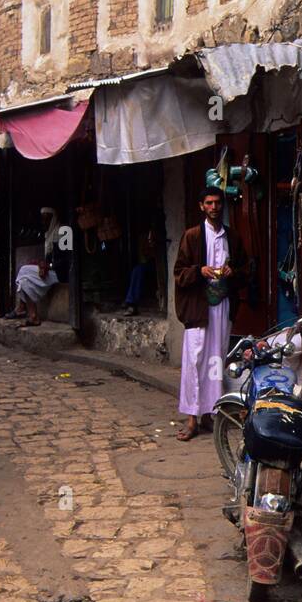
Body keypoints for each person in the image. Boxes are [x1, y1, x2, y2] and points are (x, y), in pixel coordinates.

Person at [173, 187, 249, 442]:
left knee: (216, 360)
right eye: (209, 203)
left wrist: (232, 272)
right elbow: (179, 273)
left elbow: (245, 269)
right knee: (195, 360)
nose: (214, 207)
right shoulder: (192, 236)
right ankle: (192, 418)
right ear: (201, 206)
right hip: (198, 308)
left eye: (217, 203)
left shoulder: (232, 237)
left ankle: (211, 413)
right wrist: (199, 271)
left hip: (222, 307)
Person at [11, 257, 59, 327]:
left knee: (23, 270)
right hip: (49, 270)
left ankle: (23, 308)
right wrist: (41, 264)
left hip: (55, 274)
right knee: (24, 282)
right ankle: (32, 315)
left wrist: (43, 266)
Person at [122, 230, 159, 317]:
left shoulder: (158, 236)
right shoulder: (145, 238)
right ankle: (130, 301)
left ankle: (131, 303)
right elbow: (145, 254)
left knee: (139, 270)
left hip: (159, 265)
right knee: (137, 270)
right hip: (151, 262)